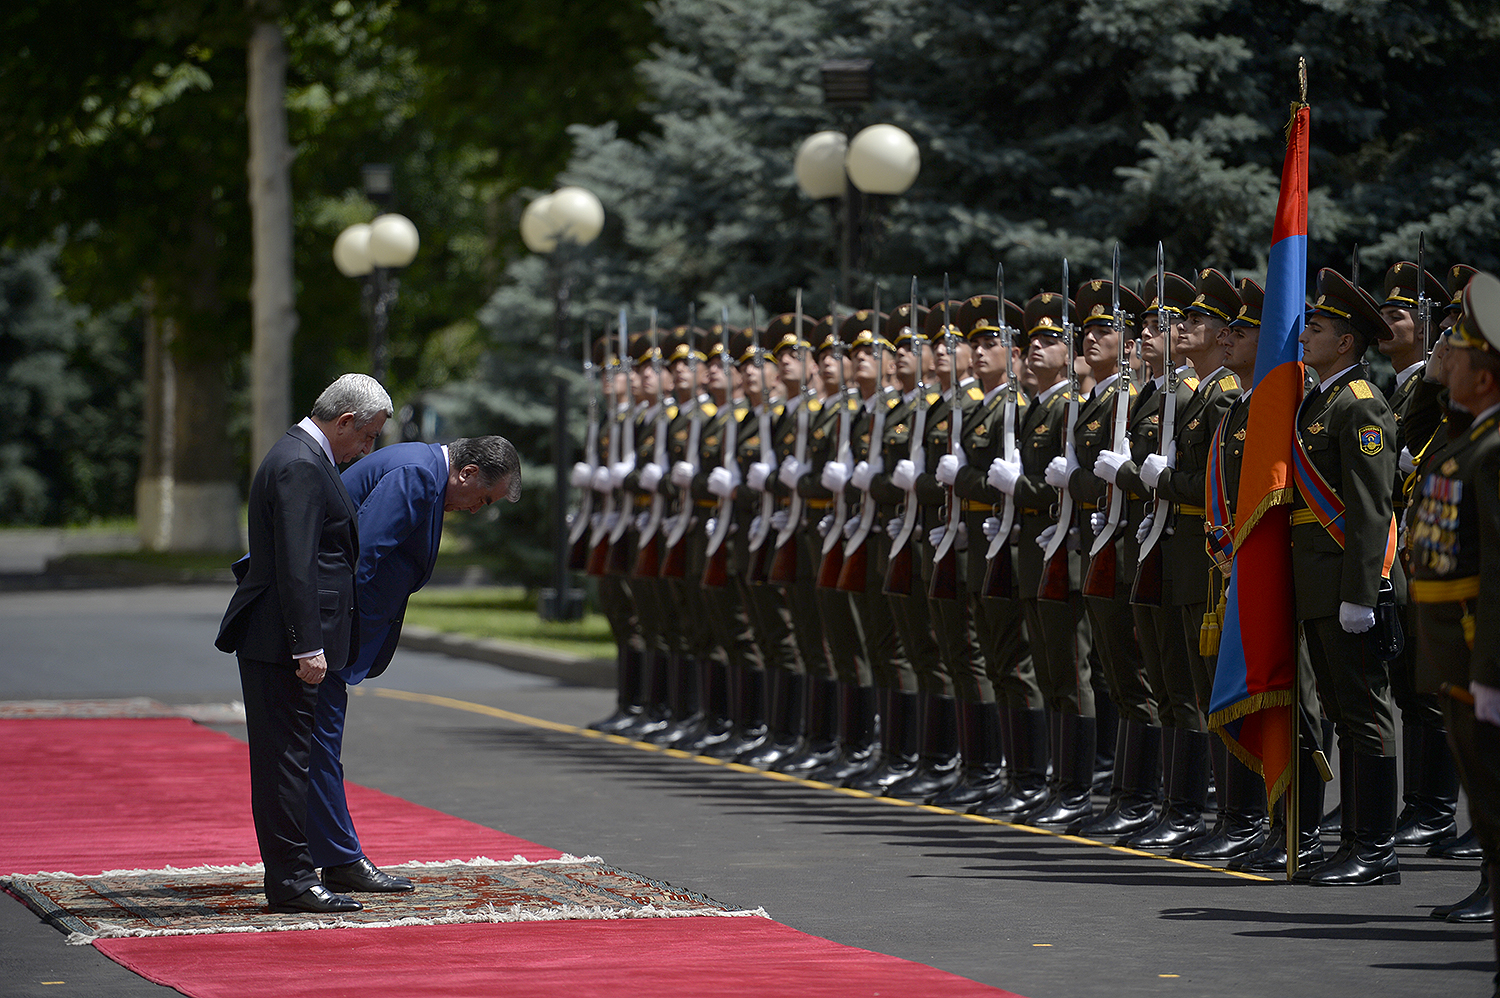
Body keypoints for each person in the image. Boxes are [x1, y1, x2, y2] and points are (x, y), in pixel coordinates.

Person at [305, 435, 521, 895]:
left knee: (318, 745)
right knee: (319, 745)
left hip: (329, 632)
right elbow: (359, 557)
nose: (476, 509)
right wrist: (322, 641)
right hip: (325, 635)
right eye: (483, 498)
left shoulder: (424, 470)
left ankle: (325, 856)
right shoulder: (418, 474)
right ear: (467, 473)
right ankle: (339, 859)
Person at [215, 373, 392, 914]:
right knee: (286, 762)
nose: (367, 449)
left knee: (289, 758)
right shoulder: (300, 463)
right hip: (282, 642)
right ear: (345, 421)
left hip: (282, 637)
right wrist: (306, 646)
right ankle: (291, 880)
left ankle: (295, 873)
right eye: (367, 436)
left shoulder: (304, 455)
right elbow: (297, 564)